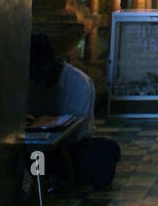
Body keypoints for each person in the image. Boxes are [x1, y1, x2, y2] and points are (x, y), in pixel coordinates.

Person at [27, 33, 120, 189]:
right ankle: (36, 182)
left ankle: (43, 180)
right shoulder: (32, 79)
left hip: (68, 148)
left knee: (105, 151)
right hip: (34, 145)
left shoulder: (78, 84)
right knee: (29, 156)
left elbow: (76, 134)